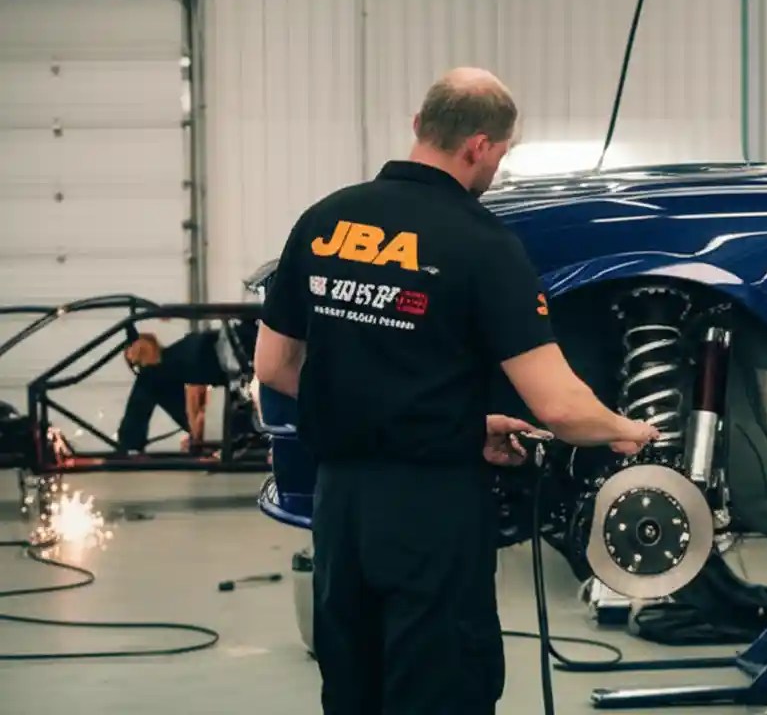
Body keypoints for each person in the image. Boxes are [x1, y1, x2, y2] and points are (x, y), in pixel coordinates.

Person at [253, 66, 659, 715]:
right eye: (503, 152)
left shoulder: (325, 220)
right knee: (441, 686)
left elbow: (275, 366)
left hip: (342, 508)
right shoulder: (482, 244)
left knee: (355, 683)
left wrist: (445, 422)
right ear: (480, 147)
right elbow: (557, 407)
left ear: (418, 126)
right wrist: (627, 430)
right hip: (432, 512)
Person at [116, 319, 259, 454]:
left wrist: (196, 432)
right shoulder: (170, 369)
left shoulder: (178, 361)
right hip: (219, 359)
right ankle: (129, 445)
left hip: (218, 353)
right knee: (154, 377)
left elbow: (195, 388)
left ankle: (129, 446)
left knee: (153, 377)